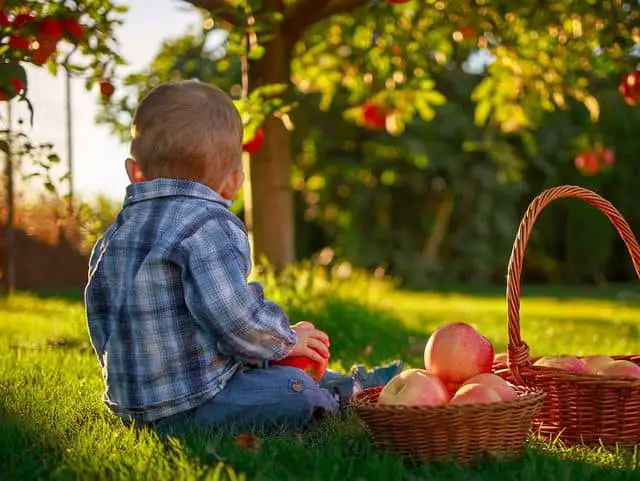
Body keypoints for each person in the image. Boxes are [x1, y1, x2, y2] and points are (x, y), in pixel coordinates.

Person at [84, 80, 402, 434]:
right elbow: (236, 321)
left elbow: (100, 324)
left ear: (135, 172)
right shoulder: (207, 225)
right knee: (292, 390)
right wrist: (287, 339)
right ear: (233, 182)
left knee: (264, 366)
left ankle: (349, 383)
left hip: (131, 407)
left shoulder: (112, 237)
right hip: (197, 403)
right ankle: (343, 397)